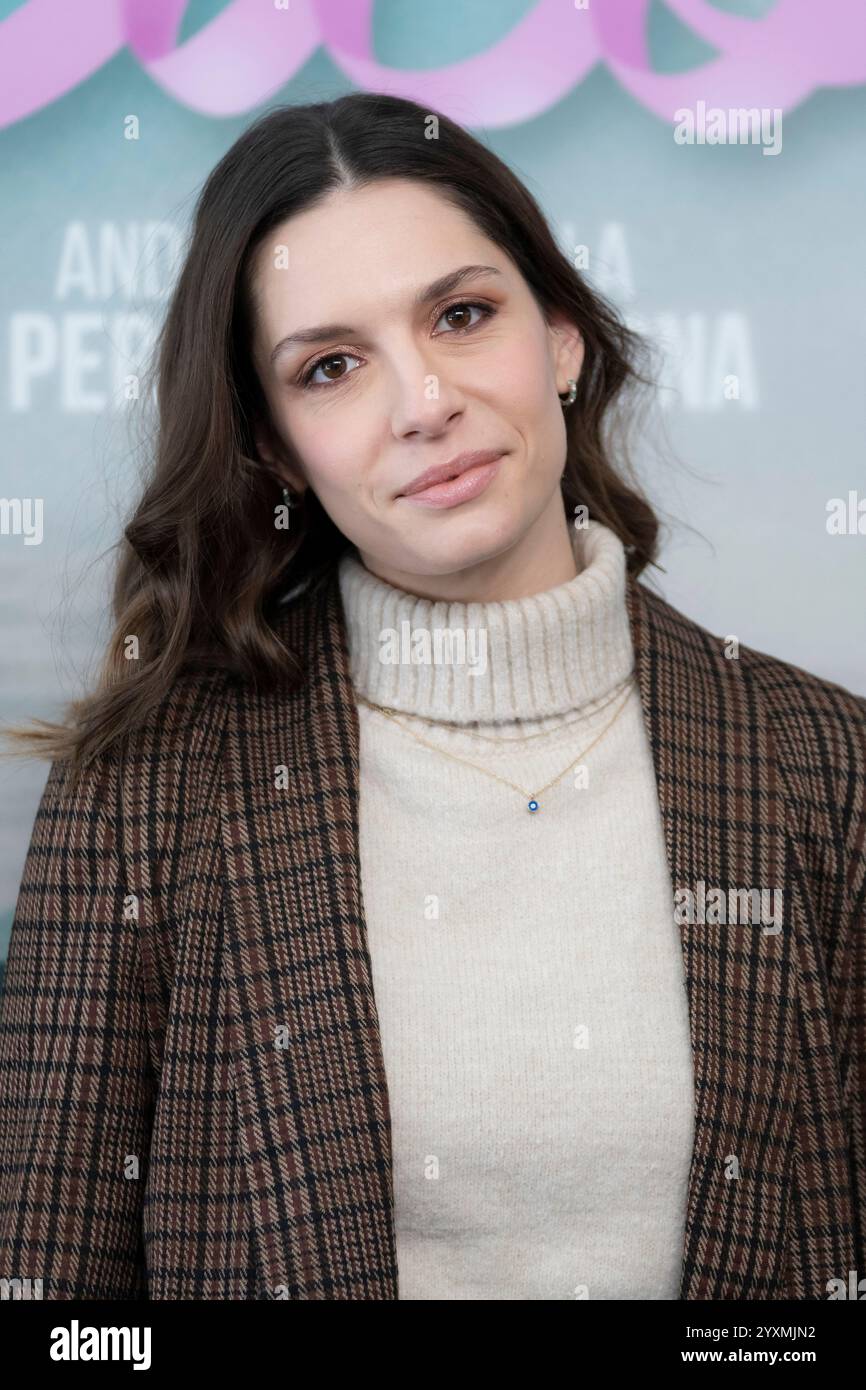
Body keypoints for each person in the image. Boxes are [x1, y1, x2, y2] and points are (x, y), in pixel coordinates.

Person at [0, 93, 863, 1302]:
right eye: (333, 366)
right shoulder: (144, 796)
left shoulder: (824, 763)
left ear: (558, 336)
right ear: (276, 448)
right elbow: (45, 1299)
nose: (423, 402)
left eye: (461, 315)